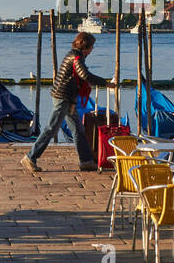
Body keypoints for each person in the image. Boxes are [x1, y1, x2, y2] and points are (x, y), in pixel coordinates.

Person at [22, 32, 115, 174]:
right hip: (63, 97)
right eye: (92, 47)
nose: (92, 50)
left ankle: (86, 162)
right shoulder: (77, 57)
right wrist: (105, 83)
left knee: (78, 129)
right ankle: (30, 157)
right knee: (51, 128)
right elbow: (85, 75)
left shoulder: (75, 54)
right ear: (86, 47)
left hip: (68, 98)